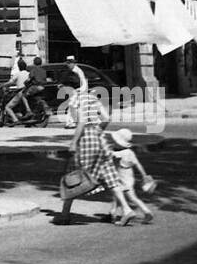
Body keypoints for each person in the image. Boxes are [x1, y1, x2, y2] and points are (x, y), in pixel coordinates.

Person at [52, 60, 131, 226]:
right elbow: (107, 118)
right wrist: (99, 131)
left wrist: (74, 142)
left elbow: (80, 122)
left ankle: (65, 215)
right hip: (99, 138)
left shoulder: (75, 99)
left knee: (74, 176)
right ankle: (126, 209)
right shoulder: (92, 98)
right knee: (108, 175)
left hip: (85, 139)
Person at [107, 128, 155, 224]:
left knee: (127, 196)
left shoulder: (119, 153)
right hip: (130, 177)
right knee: (120, 195)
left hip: (122, 179)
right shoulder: (130, 153)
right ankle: (113, 213)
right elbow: (138, 165)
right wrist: (144, 175)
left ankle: (143, 211)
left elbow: (109, 155)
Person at [3, 56, 32, 124]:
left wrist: (3, 85)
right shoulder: (29, 74)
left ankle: (15, 120)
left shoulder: (18, 74)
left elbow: (10, 82)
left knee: (7, 107)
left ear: (19, 67)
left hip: (20, 92)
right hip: (28, 91)